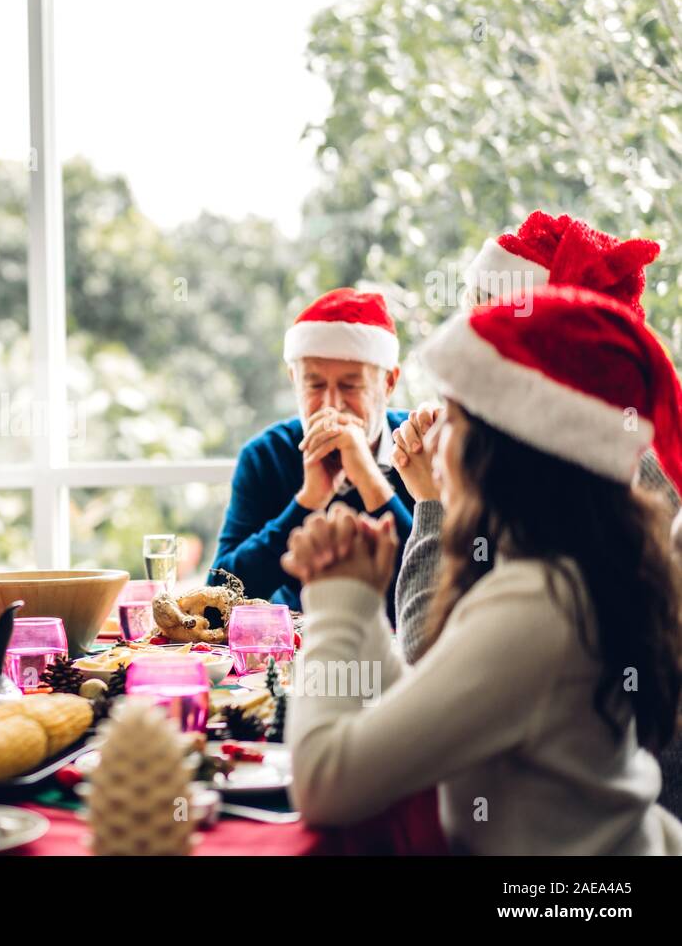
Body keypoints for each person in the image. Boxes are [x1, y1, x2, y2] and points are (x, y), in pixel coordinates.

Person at [283, 286, 682, 854]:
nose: (434, 441)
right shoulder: (565, 574)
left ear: (500, 453)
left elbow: (324, 782)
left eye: (453, 420)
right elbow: (427, 703)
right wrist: (364, 604)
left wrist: (331, 602)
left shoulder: (539, 604)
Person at [395, 213, 679, 666]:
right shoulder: (573, 450)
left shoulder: (612, 470)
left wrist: (436, 504)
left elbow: (428, 657)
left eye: (487, 343)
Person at [209, 289, 413, 617]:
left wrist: (370, 480)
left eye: (351, 386)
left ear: (389, 383)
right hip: (299, 651)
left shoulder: (422, 444)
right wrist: (308, 500)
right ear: (294, 380)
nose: (332, 404)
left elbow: (443, 584)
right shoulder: (265, 456)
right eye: (315, 386)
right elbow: (216, 600)